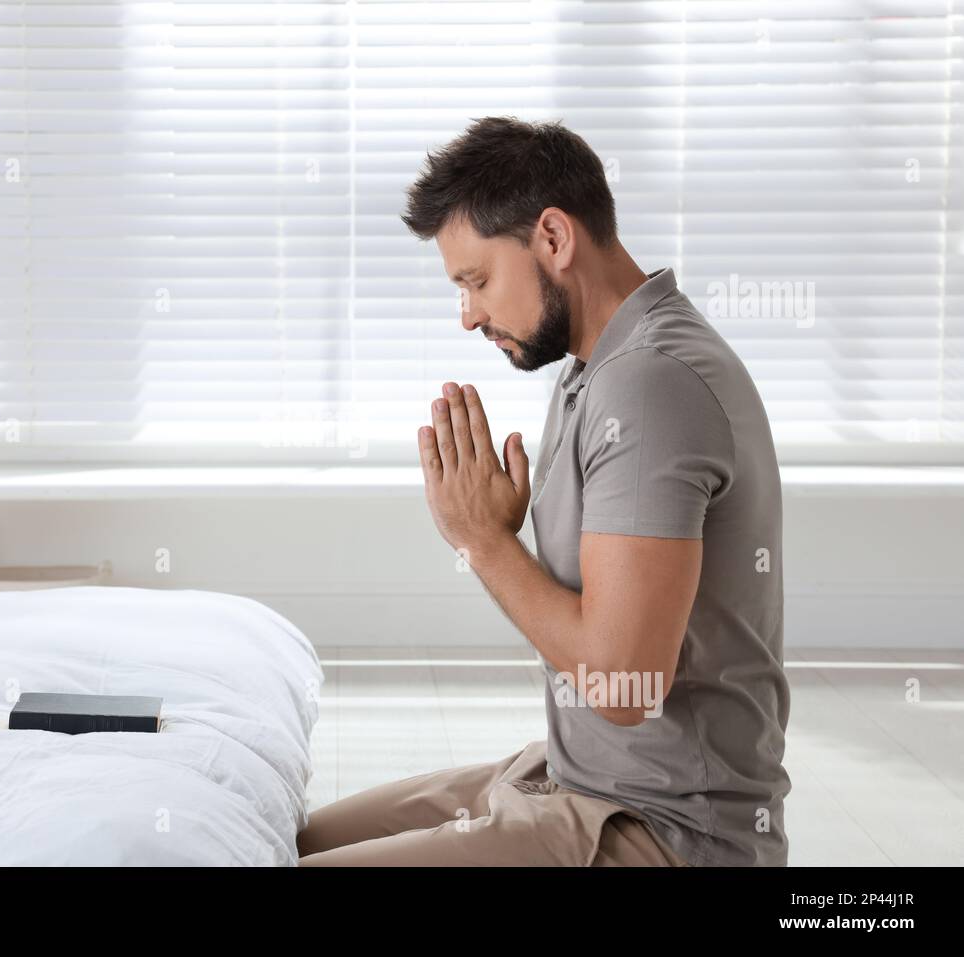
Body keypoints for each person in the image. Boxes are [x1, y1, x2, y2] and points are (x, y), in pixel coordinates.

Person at [298, 117, 791, 867]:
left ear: (554, 239)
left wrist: (485, 542)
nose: (467, 315)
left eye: (477, 280)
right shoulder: (594, 367)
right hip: (574, 778)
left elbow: (624, 682)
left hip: (662, 832)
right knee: (278, 842)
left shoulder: (650, 385)